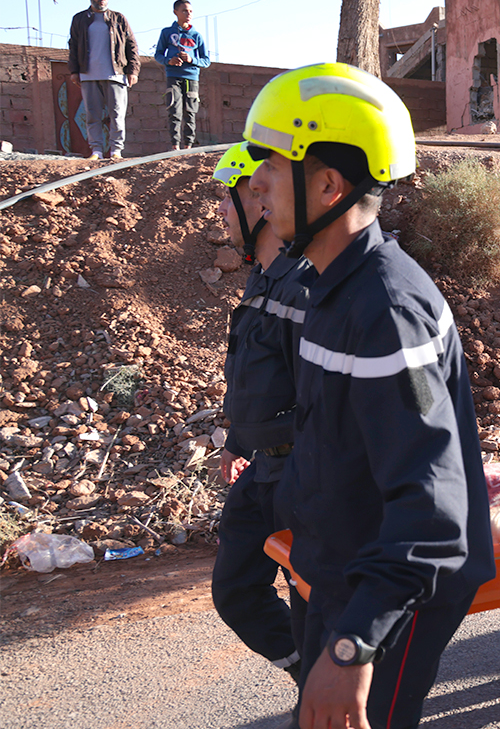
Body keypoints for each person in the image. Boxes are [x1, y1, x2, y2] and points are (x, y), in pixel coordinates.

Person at [246, 62, 495, 729]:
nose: (255, 181)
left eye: (272, 164)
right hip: (341, 567)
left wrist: (355, 642)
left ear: (329, 185)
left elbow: (431, 508)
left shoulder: (386, 309)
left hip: (396, 591)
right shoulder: (329, 287)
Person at [208, 141, 315, 687]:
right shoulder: (264, 278)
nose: (220, 212)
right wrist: (236, 442)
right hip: (262, 467)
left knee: (309, 600)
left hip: (301, 475)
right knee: (235, 590)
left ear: (258, 198)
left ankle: (328, 695)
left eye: (226, 198)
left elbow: (323, 397)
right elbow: (256, 373)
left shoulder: (306, 285)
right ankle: (310, 677)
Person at [66, 0, 138, 160]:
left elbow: (132, 45)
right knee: (92, 115)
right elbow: (73, 46)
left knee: (117, 114)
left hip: (116, 74)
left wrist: (133, 71)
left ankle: (116, 151)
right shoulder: (79, 19)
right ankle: (96, 150)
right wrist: (74, 71)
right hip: (88, 74)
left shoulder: (118, 18)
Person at [154, 0, 209, 151]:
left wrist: (191, 60)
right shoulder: (167, 32)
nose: (188, 14)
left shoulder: (196, 36)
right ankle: (175, 146)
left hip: (191, 78)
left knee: (190, 112)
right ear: (175, 12)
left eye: (190, 11)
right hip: (173, 76)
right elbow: (158, 54)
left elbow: (206, 61)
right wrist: (169, 61)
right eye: (184, 11)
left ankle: (188, 146)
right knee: (174, 110)